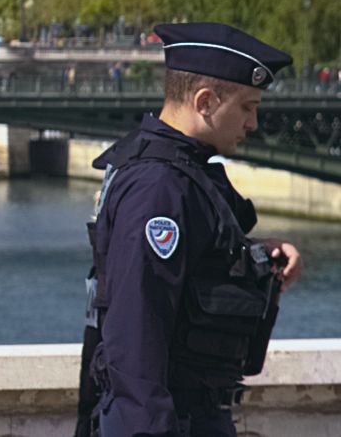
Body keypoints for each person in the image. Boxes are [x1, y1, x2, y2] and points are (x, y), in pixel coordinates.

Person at [78, 23, 303, 437]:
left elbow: (187, 266)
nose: (252, 123)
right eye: (247, 107)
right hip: (170, 419)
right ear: (205, 101)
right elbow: (136, 329)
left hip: (188, 413)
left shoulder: (180, 174)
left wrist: (253, 254)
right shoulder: (158, 187)